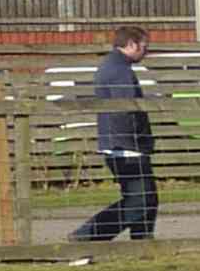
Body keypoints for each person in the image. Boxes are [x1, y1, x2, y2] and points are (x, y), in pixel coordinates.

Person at [68, 27, 160, 242]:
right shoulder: (120, 71)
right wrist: (137, 141)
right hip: (126, 146)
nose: (146, 52)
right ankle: (88, 235)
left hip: (118, 143)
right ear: (131, 44)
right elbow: (126, 108)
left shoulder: (112, 65)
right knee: (142, 200)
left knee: (144, 198)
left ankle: (142, 243)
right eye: (144, 47)